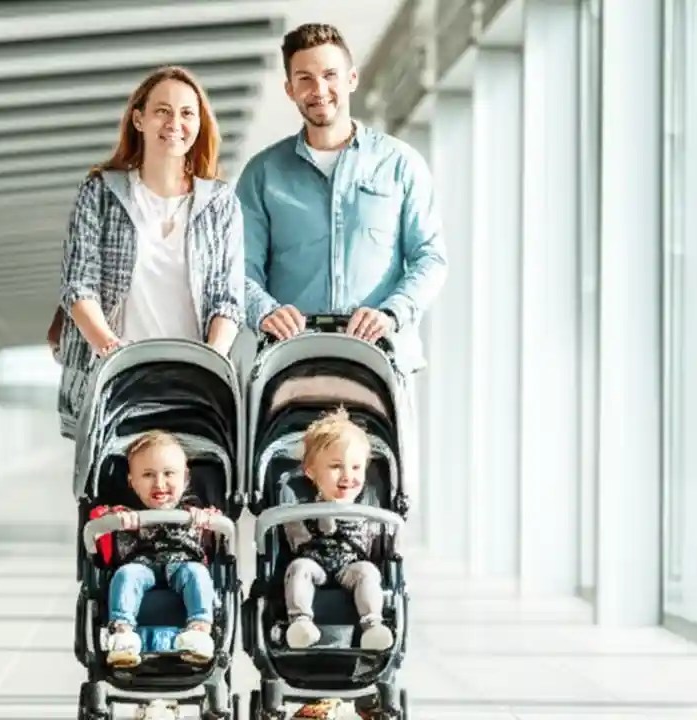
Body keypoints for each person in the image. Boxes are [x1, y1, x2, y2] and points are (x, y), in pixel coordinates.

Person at [236, 23, 447, 376]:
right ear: (289, 89)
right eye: (304, 78)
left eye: (329, 75)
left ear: (351, 78)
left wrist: (391, 313)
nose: (319, 89)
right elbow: (239, 268)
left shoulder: (400, 164)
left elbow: (431, 258)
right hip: (291, 368)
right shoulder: (262, 174)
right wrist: (266, 311)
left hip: (381, 364)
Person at [55, 66, 245, 438]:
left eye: (187, 113)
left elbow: (228, 301)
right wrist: (112, 353)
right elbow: (79, 285)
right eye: (162, 110)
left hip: (192, 393)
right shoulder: (100, 193)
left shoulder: (220, 203)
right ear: (138, 119)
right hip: (115, 386)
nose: (175, 122)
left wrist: (209, 365)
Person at [92, 430, 222, 667]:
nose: (159, 483)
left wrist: (207, 520)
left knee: (197, 574)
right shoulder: (125, 513)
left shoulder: (195, 512)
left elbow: (221, 531)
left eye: (169, 474)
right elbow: (96, 527)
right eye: (148, 475)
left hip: (184, 564)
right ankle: (122, 633)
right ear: (132, 481)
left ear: (185, 478)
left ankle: (200, 630)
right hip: (140, 565)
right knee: (125, 575)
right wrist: (115, 520)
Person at [283, 407, 393, 652]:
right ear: (311, 472)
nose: (347, 476)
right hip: (315, 564)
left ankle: (372, 624)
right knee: (298, 568)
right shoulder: (301, 507)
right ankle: (300, 622)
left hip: (350, 566)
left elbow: (379, 539)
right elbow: (295, 539)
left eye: (356, 468)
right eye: (335, 467)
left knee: (368, 571)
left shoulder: (369, 508)